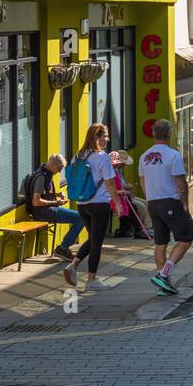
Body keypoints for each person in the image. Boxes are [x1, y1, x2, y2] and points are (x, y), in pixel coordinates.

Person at [141, 119, 193, 296]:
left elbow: (143, 181)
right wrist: (185, 201)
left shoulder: (144, 156)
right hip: (170, 201)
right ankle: (164, 274)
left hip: (152, 203)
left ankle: (162, 285)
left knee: (160, 243)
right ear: (169, 133)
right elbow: (180, 180)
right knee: (186, 238)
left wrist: (150, 198)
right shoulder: (173, 155)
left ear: (153, 134)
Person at [63, 123, 121, 290]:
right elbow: (110, 182)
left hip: (82, 205)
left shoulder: (78, 156)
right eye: (105, 136)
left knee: (93, 238)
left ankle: (73, 265)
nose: (107, 139)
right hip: (99, 205)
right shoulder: (102, 157)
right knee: (97, 243)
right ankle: (91, 280)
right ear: (97, 137)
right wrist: (117, 202)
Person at [27, 154, 83, 258]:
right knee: (81, 217)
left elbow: (44, 193)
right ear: (53, 165)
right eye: (60, 168)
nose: (60, 171)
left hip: (46, 210)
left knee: (80, 217)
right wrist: (56, 203)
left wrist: (57, 195)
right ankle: (63, 248)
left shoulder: (44, 172)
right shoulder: (41, 177)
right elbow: (36, 201)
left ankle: (63, 247)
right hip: (43, 212)